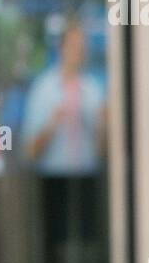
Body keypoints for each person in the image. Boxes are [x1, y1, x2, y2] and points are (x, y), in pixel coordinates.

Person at [22, 20, 106, 176]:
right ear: (61, 48)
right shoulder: (43, 90)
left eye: (82, 47)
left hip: (89, 179)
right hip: (52, 181)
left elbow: (103, 152)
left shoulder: (94, 90)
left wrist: (104, 125)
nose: (79, 52)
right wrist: (52, 125)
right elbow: (30, 152)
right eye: (74, 46)